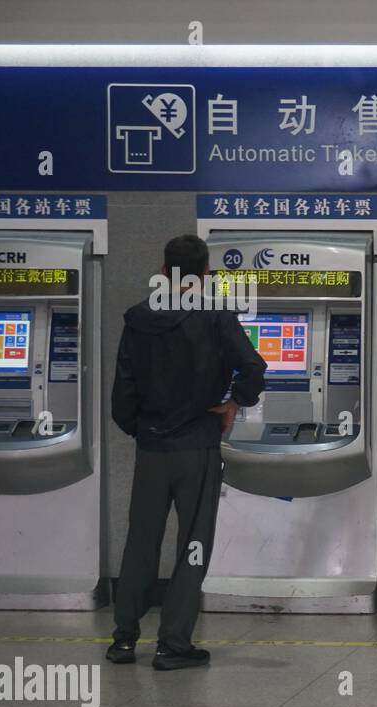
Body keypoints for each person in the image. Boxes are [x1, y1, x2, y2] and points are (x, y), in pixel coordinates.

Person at [107, 235, 266, 670]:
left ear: (163, 270)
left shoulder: (139, 318)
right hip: (196, 446)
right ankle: (173, 643)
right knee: (193, 543)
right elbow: (253, 366)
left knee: (141, 540)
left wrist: (143, 430)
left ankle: (123, 639)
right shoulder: (215, 313)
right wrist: (235, 402)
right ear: (205, 274)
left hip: (152, 449)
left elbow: (123, 390)